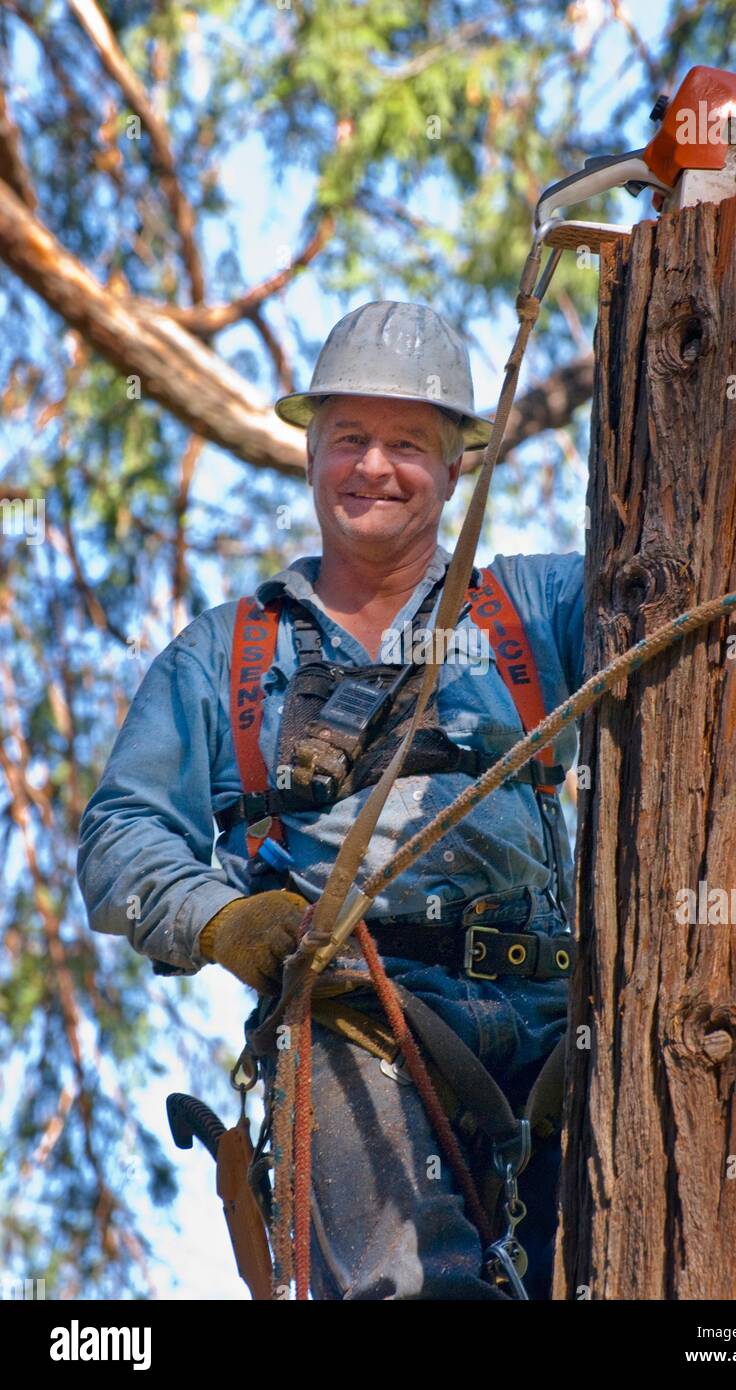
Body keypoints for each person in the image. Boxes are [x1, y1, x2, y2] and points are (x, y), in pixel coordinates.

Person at [77, 300, 585, 1300]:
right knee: (413, 1286)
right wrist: (220, 919)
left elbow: (676, 590)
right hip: (355, 1024)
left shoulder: (536, 609)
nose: (375, 467)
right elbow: (119, 838)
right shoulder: (225, 655)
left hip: (555, 1024)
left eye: (408, 444)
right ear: (310, 453)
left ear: (455, 469)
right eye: (349, 438)